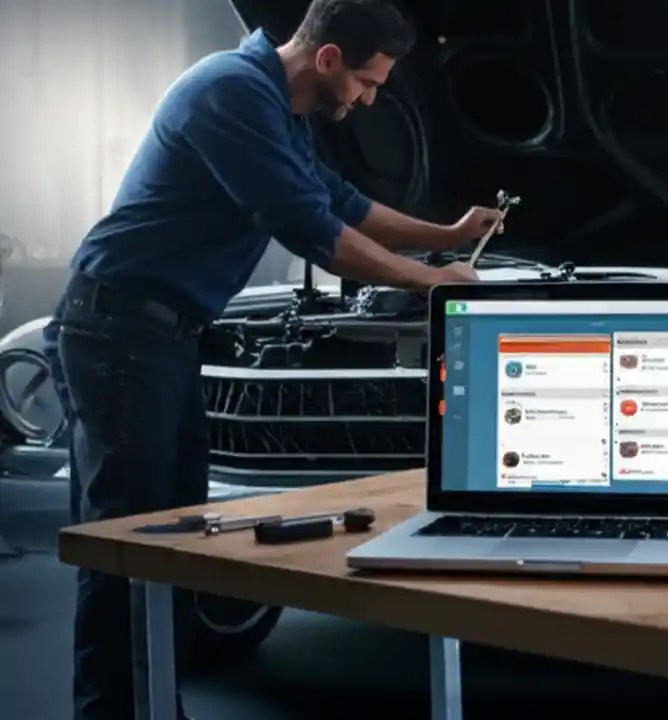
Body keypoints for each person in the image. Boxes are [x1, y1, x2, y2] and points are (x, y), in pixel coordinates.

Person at [43, 1, 501, 717]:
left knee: (171, 536)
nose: (370, 98)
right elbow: (312, 229)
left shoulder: (277, 105)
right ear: (327, 59)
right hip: (117, 333)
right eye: (368, 82)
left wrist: (445, 233)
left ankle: (156, 704)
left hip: (162, 336)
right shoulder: (230, 93)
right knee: (126, 545)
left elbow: (341, 202)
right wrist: (432, 281)